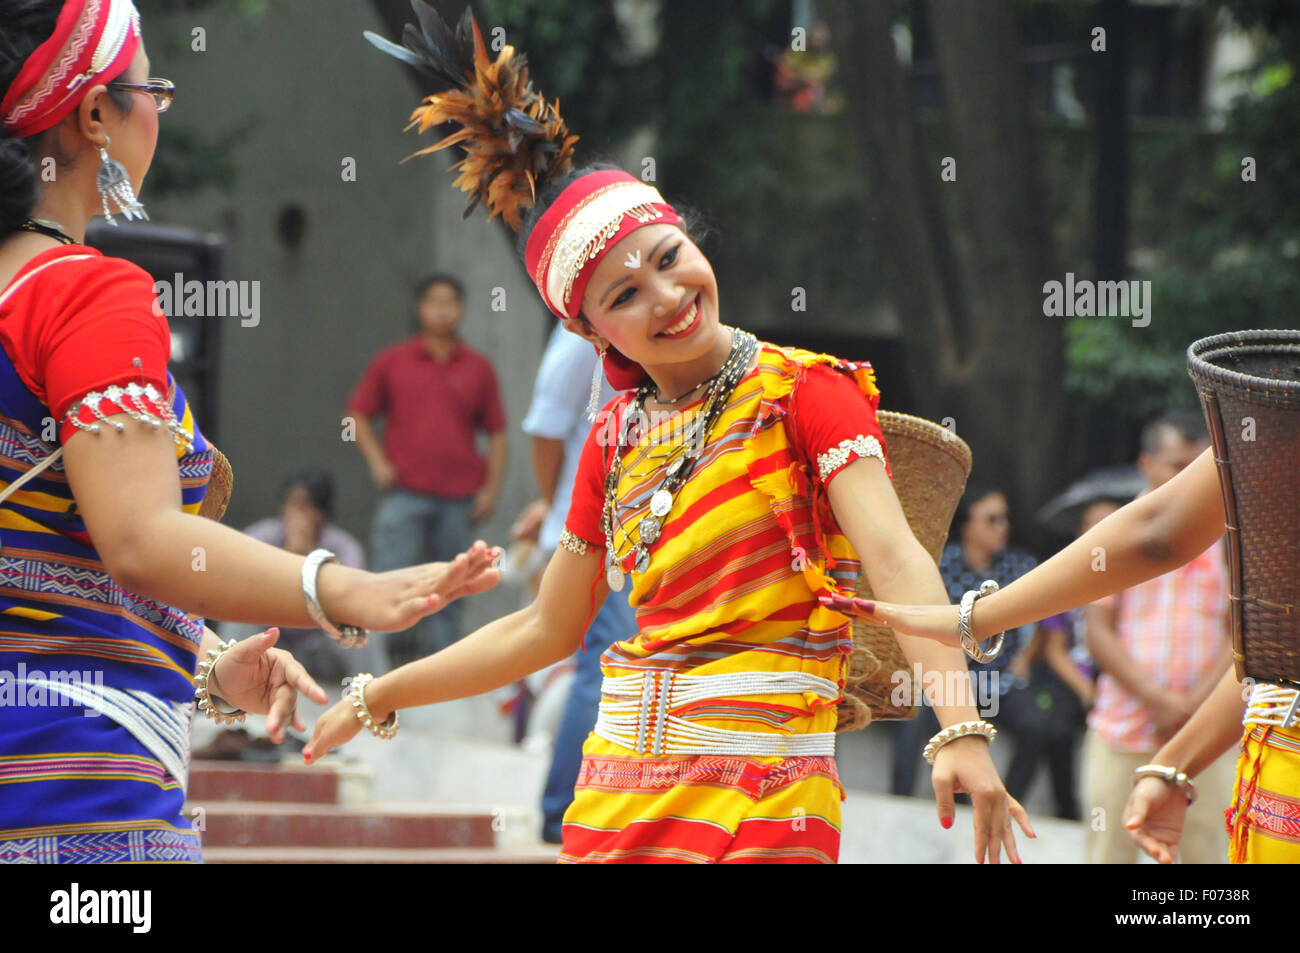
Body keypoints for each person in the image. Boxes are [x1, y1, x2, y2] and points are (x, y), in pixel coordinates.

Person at [310, 5, 1033, 865]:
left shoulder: (806, 391)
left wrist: (962, 726)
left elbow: (898, 560)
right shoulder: (614, 437)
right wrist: (380, 691)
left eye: (667, 255)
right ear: (590, 336)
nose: (665, 295)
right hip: (617, 796)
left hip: (769, 797)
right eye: (622, 295)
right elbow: (544, 628)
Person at [0, 0, 498, 863]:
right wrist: (339, 586)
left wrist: (205, 670)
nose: (163, 108)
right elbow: (140, 538)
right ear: (92, 114)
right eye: (153, 87)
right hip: (72, 803)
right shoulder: (85, 292)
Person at [822, 439, 1286, 863]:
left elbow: (1160, 540)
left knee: (1046, 722)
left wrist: (975, 622)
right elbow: (1274, 658)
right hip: (1148, 724)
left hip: (1234, 735)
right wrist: (1172, 763)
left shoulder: (1236, 540)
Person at [1080, 413, 1233, 863]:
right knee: (1108, 851)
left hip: (1209, 732)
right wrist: (1160, 701)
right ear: (1146, 464)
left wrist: (1189, 707)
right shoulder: (1117, 531)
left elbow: (1239, 632)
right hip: (1123, 727)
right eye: (1175, 465)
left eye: (1197, 465)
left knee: (1212, 855)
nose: (1189, 478)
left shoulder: (1232, 537)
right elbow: (1098, 631)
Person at [512, 319, 636, 844]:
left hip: (636, 533)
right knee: (606, 666)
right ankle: (563, 810)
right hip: (593, 533)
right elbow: (545, 427)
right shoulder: (579, 341)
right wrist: (557, 505)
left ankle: (576, 808)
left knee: (610, 665)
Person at [347, 273, 508, 667]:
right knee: (387, 582)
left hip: (460, 498)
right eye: (433, 301)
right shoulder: (393, 361)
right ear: (420, 309)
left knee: (452, 589)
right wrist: (377, 462)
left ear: (461, 309)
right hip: (404, 492)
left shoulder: (478, 367)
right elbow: (357, 416)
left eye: (450, 301)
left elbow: (498, 432)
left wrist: (490, 490)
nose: (442, 309)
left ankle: (440, 672)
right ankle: (378, 673)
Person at [891, 484, 1036, 799]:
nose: (1003, 527)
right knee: (910, 709)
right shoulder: (939, 565)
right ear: (968, 525)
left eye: (1005, 519)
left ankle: (1003, 801)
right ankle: (899, 802)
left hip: (1001, 677)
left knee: (1041, 725)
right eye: (992, 519)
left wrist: (1025, 657)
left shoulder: (1020, 565)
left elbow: (1038, 623)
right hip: (946, 675)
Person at [998, 498, 1116, 821]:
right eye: (1094, 524)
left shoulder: (1135, 575)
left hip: (1120, 676)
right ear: (1080, 532)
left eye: (1112, 522)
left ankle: (1073, 810)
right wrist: (1085, 689)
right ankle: (1061, 809)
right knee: (1055, 726)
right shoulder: (1067, 577)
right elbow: (1054, 649)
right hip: (1075, 675)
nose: (1102, 532)